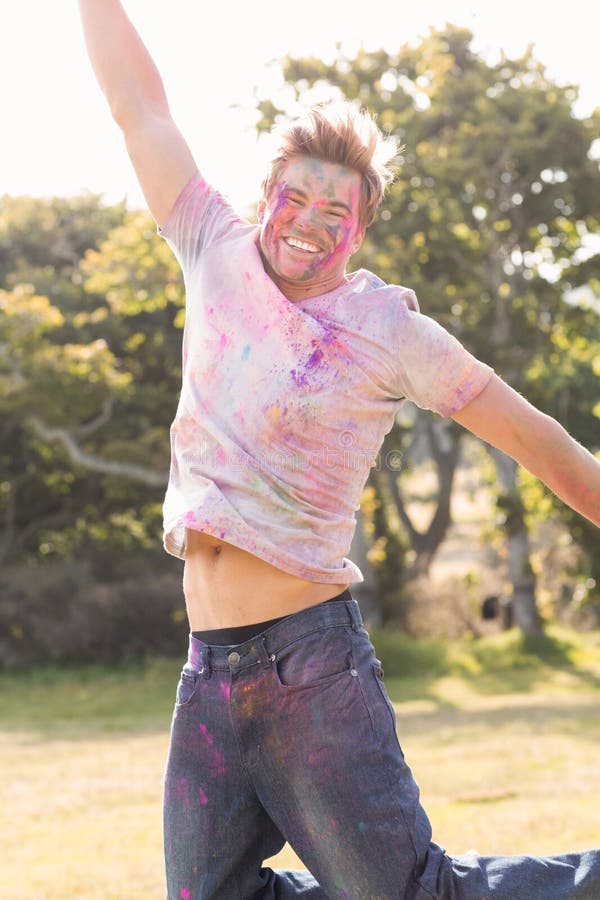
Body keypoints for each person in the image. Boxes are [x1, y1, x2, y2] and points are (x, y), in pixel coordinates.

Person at [79, 3, 600, 897]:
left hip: (308, 667)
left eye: (337, 210)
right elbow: (140, 108)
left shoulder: (385, 327)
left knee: (409, 893)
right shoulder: (210, 245)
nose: (311, 223)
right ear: (266, 198)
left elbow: (533, 437)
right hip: (207, 670)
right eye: (298, 198)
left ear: (361, 227)